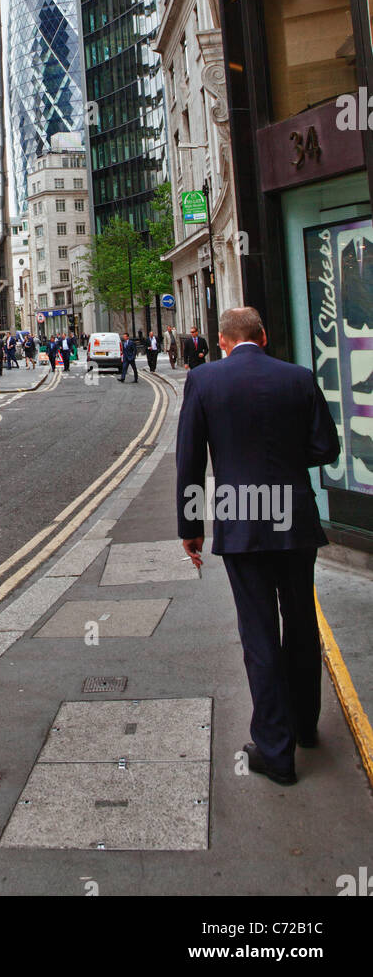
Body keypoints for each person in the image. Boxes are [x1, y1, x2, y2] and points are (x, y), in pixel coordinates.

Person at [176, 306, 340, 785]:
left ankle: (275, 748)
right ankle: (305, 726)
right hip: (294, 518)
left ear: (223, 342)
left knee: (259, 632)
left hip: (240, 519)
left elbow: (190, 459)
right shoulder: (299, 378)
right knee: (302, 622)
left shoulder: (205, 381)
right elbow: (326, 448)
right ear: (263, 337)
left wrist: (192, 526)